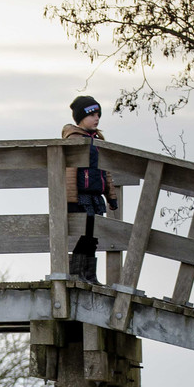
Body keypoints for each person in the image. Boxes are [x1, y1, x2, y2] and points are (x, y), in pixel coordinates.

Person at [62, 96, 119, 285]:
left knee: (93, 235)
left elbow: (106, 170)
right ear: (81, 117)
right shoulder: (74, 139)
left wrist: (111, 196)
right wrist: (70, 198)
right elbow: (69, 171)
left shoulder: (98, 140)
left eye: (98, 115)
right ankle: (76, 272)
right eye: (92, 115)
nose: (96, 118)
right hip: (81, 195)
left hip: (96, 195)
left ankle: (89, 274)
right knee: (84, 234)